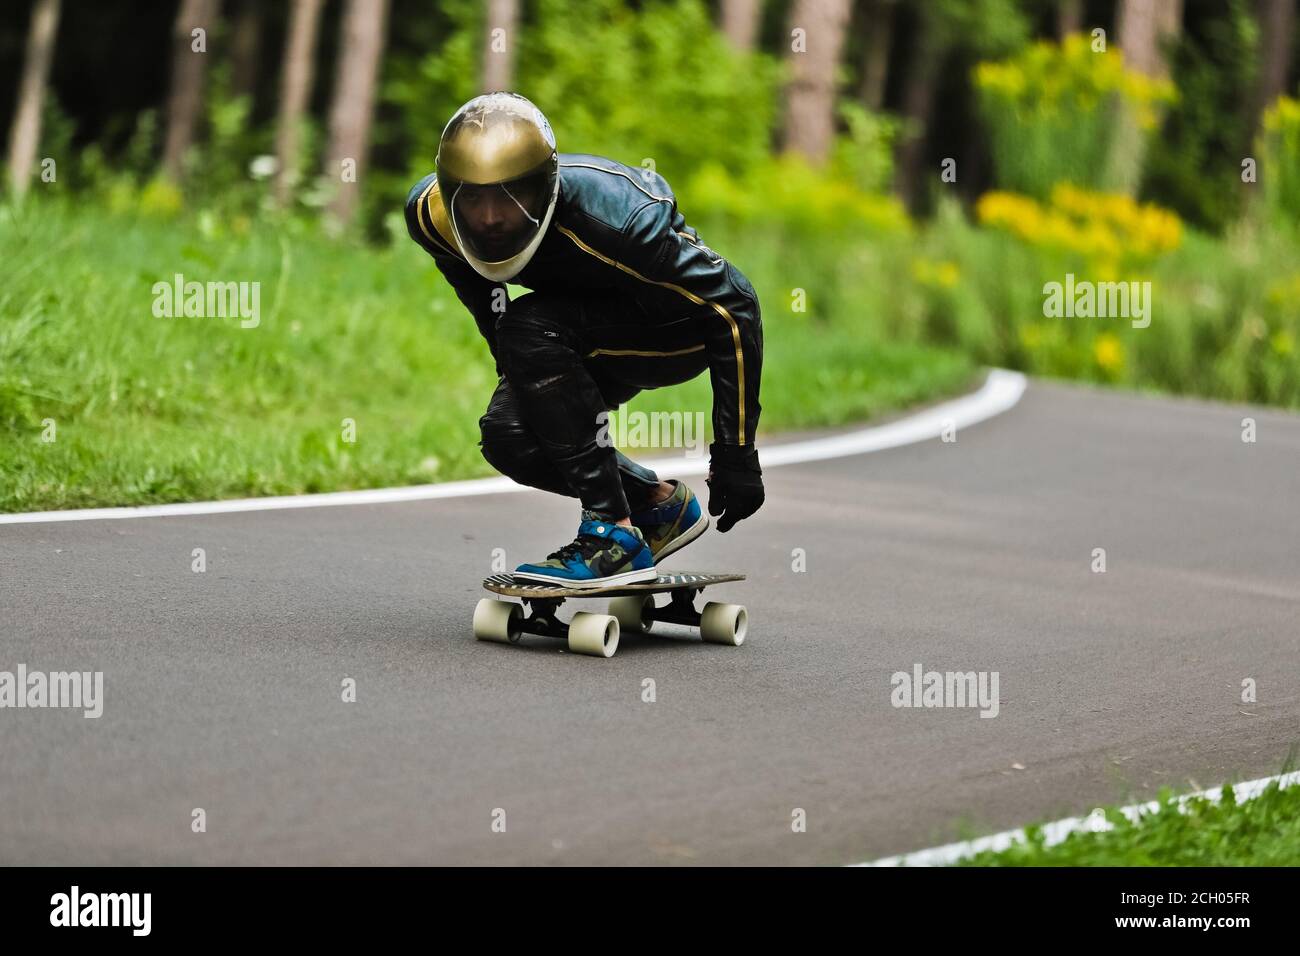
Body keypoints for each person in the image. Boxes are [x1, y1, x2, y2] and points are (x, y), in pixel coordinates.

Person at [405, 92, 764, 587]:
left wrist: (736, 453)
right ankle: (657, 507)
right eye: (473, 197)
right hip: (575, 329)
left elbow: (734, 306)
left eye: (510, 197)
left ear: (545, 188)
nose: (489, 218)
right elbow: (486, 299)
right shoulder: (433, 219)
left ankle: (611, 536)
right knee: (510, 436)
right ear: (449, 191)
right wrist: (525, 376)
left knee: (530, 325)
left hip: (677, 330)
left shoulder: (621, 221)